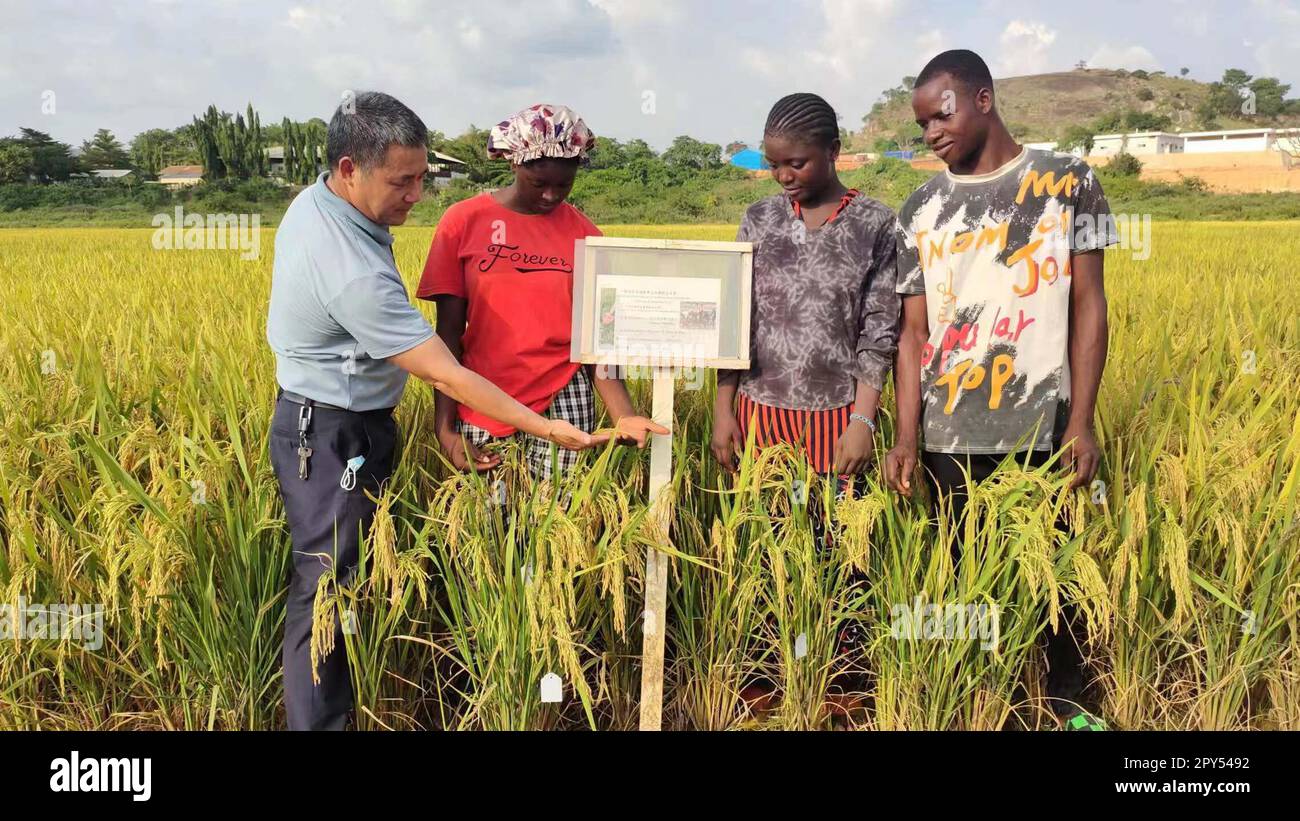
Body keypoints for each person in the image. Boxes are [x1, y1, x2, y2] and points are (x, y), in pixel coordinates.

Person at [266, 92, 604, 730]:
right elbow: (445, 365)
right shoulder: (350, 269)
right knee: (328, 590)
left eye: (423, 176)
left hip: (349, 424)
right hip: (330, 433)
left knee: (343, 582)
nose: (417, 194)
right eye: (402, 181)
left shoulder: (325, 204)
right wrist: (541, 426)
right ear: (348, 169)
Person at [883, 50, 1115, 730]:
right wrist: (904, 434)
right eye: (922, 123)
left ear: (983, 99)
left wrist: (1084, 420)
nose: (932, 132)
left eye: (942, 113)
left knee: (1059, 576)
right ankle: (996, 705)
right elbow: (910, 333)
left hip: (1044, 422)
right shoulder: (920, 208)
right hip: (950, 431)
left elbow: (1091, 306)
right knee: (966, 578)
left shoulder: (1066, 181)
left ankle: (1069, 703)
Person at [417, 104, 665, 480]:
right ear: (515, 164)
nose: (551, 196)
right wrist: (445, 428)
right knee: (487, 519)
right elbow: (448, 333)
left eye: (564, 185)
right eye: (539, 184)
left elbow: (599, 337)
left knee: (560, 514)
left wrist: (624, 415)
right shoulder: (463, 222)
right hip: (482, 392)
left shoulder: (586, 236)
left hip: (564, 393)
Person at [712, 92, 900, 489]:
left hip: (839, 420)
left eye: (797, 163)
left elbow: (879, 334)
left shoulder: (875, 224)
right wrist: (722, 410)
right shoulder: (759, 219)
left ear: (833, 150)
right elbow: (735, 319)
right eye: (774, 164)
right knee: (766, 542)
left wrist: (863, 422)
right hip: (757, 416)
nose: (784, 176)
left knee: (833, 542)